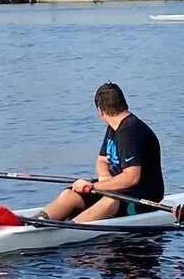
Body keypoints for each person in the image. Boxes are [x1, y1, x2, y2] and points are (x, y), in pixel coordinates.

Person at [39, 83, 164, 223]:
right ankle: (33, 222)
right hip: (116, 188)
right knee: (69, 194)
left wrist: (92, 186)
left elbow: (131, 178)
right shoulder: (113, 127)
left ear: (100, 110)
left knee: (110, 200)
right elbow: (102, 160)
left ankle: (70, 228)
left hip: (142, 197)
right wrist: (104, 176)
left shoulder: (130, 132)